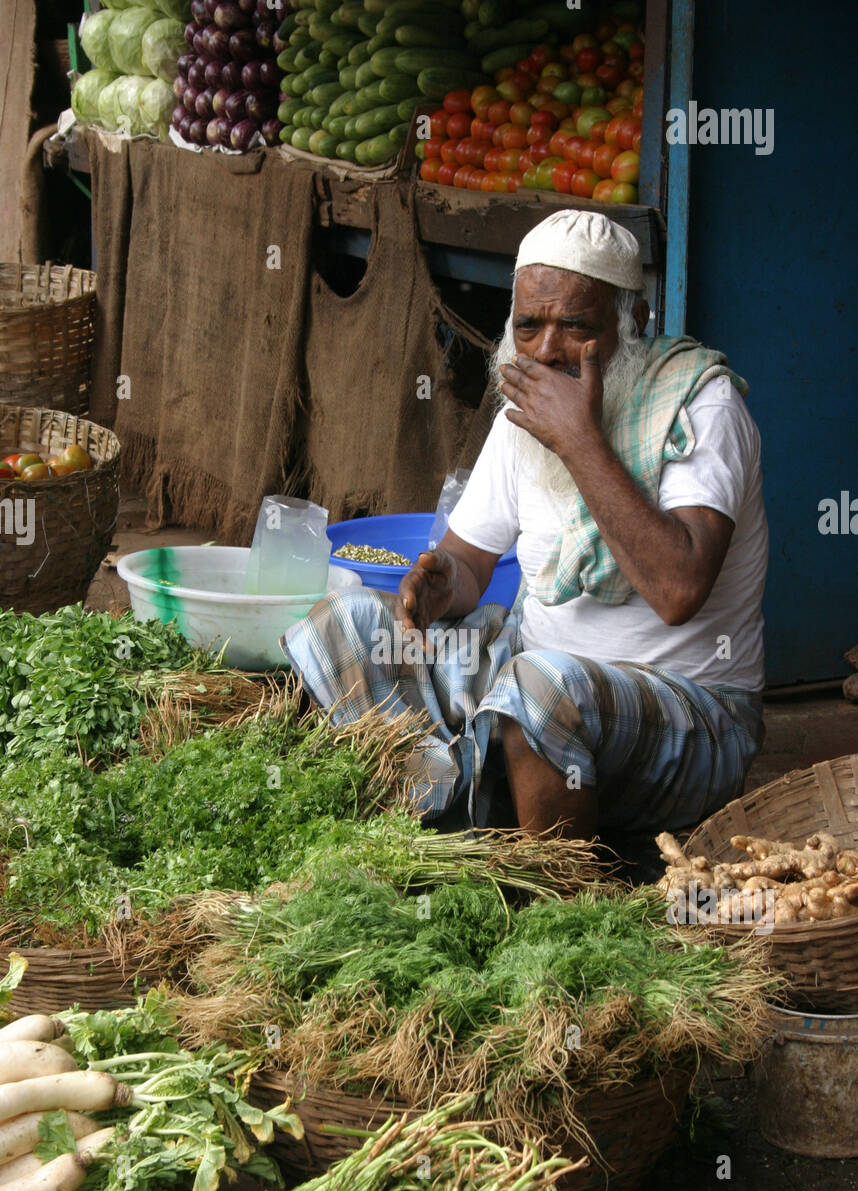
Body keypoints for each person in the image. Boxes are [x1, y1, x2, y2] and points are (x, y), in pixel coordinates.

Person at [283, 209, 768, 850]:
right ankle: (448, 810)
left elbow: (679, 589)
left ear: (635, 321)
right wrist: (436, 584)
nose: (545, 350)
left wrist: (580, 441)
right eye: (528, 326)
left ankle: (555, 892)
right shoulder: (528, 412)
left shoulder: (701, 406)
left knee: (537, 689)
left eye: (575, 326)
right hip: (528, 681)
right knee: (345, 623)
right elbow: (468, 564)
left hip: (692, 719)